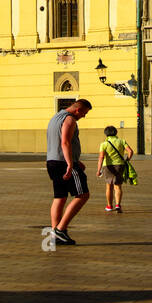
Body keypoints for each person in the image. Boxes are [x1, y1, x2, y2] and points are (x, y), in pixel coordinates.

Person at [46, 99, 92, 245]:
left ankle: (55, 234)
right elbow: (65, 142)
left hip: (52, 161)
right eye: (84, 113)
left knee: (59, 197)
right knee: (83, 195)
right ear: (78, 109)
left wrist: (76, 160)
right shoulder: (70, 119)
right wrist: (71, 163)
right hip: (64, 163)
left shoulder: (55, 117)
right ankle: (61, 229)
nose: (84, 116)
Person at [96, 125, 133, 212]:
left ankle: (109, 206)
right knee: (118, 186)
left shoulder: (104, 144)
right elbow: (130, 151)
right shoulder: (122, 141)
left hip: (108, 166)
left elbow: (101, 157)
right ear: (115, 132)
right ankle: (118, 205)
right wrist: (127, 159)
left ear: (106, 134)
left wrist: (99, 170)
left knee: (109, 187)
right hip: (120, 165)